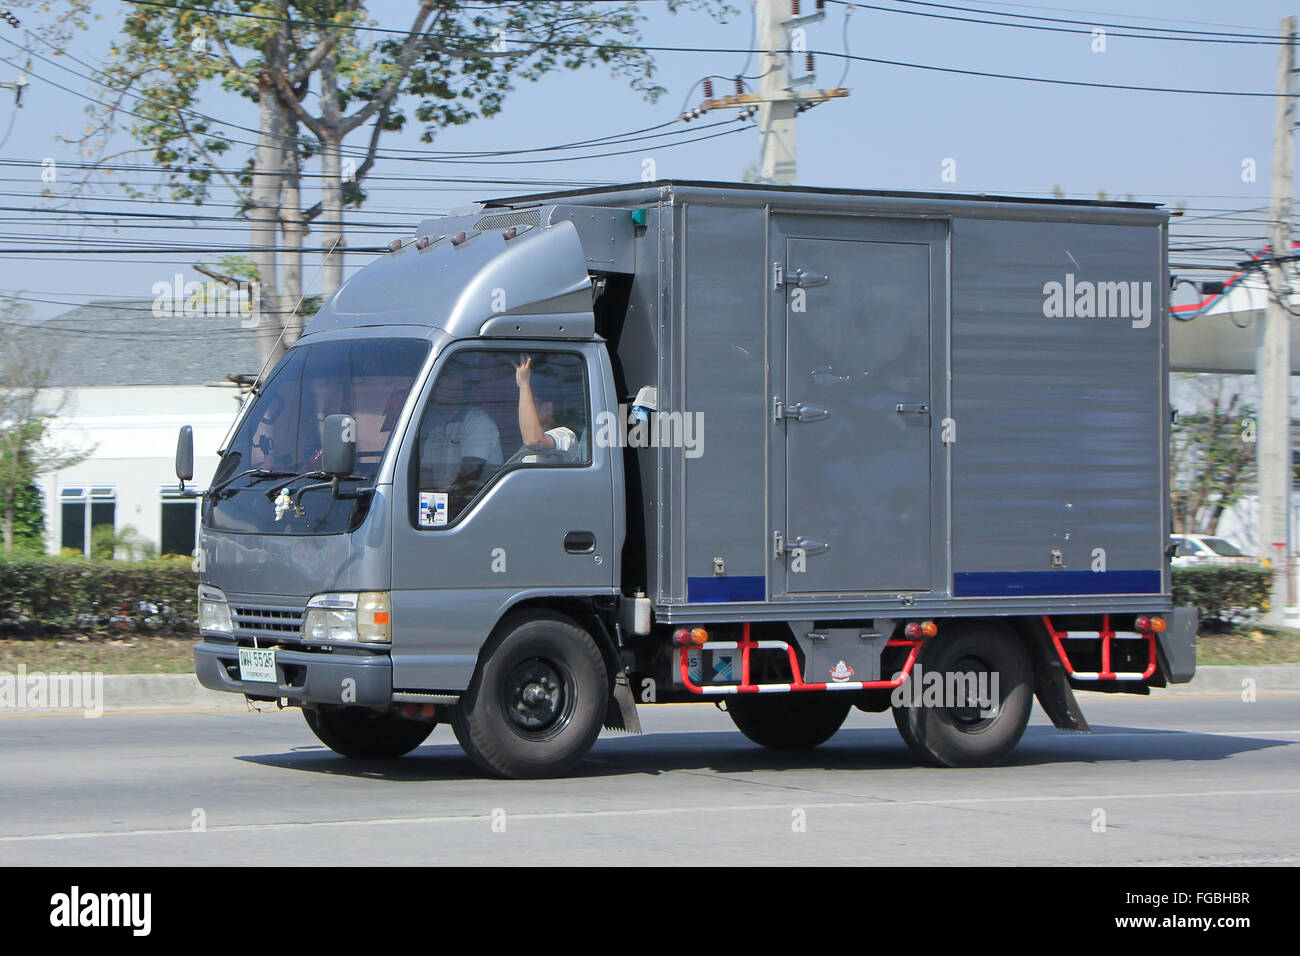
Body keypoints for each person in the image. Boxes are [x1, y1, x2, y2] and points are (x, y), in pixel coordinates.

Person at [419, 363, 502, 499]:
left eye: (449, 378)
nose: (439, 386)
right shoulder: (437, 428)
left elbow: (469, 476)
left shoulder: (477, 422)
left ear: (462, 387)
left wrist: (447, 504)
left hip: (472, 503)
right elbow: (425, 473)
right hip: (444, 502)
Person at [513, 354, 581, 463]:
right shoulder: (523, 448)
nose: (523, 411)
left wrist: (524, 384)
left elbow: (535, 441)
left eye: (529, 403)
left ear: (547, 407)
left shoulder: (565, 436)